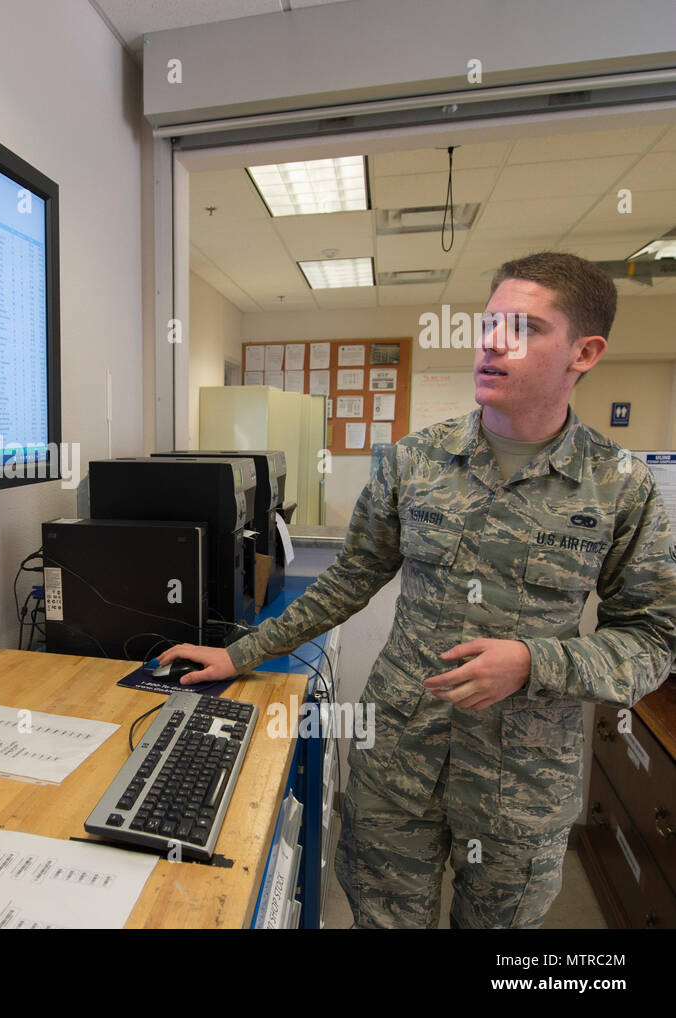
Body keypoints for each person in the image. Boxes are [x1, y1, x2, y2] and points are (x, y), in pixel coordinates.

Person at [157, 251, 676, 928]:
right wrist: (241, 653)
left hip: (521, 781)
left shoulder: (620, 486)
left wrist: (535, 663)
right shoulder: (415, 460)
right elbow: (350, 579)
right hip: (398, 758)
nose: (490, 343)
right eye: (488, 324)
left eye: (522, 328)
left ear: (585, 351)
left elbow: (653, 640)